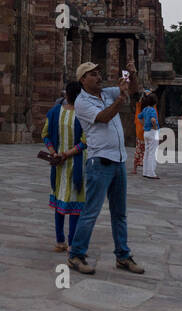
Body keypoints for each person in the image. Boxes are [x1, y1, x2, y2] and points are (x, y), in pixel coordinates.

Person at [66, 62, 144, 276]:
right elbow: (104, 117)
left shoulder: (106, 93)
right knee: (91, 212)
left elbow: (131, 89)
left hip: (118, 160)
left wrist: (131, 73)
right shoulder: (82, 102)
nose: (99, 77)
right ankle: (76, 254)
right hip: (99, 162)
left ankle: (122, 255)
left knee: (120, 213)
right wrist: (120, 100)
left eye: (99, 73)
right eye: (93, 74)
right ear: (83, 79)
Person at [42, 81, 87, 251]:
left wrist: (54, 152)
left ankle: (60, 241)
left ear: (66, 95)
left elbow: (45, 134)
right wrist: (66, 154)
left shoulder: (54, 112)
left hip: (58, 164)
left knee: (60, 201)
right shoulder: (83, 115)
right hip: (76, 164)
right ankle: (73, 242)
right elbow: (85, 141)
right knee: (75, 204)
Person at [138, 93, 160, 179]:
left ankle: (145, 171)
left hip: (146, 132)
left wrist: (144, 125)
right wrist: (155, 128)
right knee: (152, 153)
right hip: (152, 132)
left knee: (147, 152)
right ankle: (151, 173)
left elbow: (139, 117)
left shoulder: (145, 109)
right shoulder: (153, 110)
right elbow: (153, 120)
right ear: (155, 102)